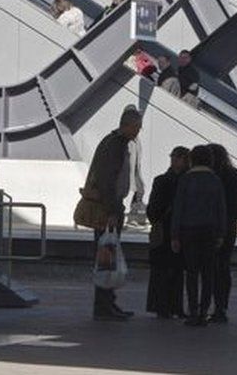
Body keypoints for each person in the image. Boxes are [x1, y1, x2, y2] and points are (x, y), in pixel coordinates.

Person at [84, 109, 143, 320]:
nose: (138, 131)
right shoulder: (115, 145)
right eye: (137, 127)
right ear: (128, 125)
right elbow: (107, 181)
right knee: (106, 257)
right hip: (108, 208)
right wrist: (111, 210)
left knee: (107, 255)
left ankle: (108, 302)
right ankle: (103, 305)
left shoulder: (112, 142)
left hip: (110, 206)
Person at [171, 145, 226, 327]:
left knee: (192, 273)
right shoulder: (215, 180)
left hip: (189, 230)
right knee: (208, 273)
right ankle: (204, 312)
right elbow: (220, 209)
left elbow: (178, 208)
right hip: (209, 231)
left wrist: (175, 235)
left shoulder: (186, 180)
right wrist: (220, 233)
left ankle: (193, 311)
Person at [207, 144, 237, 324]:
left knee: (209, 266)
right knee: (223, 266)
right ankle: (221, 307)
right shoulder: (233, 174)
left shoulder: (210, 176)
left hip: (210, 224)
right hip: (229, 225)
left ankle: (205, 305)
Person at [146, 146, 189, 319]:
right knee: (176, 271)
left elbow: (153, 209)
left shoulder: (161, 181)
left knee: (162, 270)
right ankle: (174, 306)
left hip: (163, 230)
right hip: (178, 231)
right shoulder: (188, 182)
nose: (175, 160)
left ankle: (161, 305)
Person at [121, 105, 148, 227]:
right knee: (131, 192)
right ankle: (129, 217)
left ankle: (134, 215)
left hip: (135, 171)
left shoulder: (135, 138)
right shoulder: (122, 138)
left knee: (140, 190)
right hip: (127, 173)